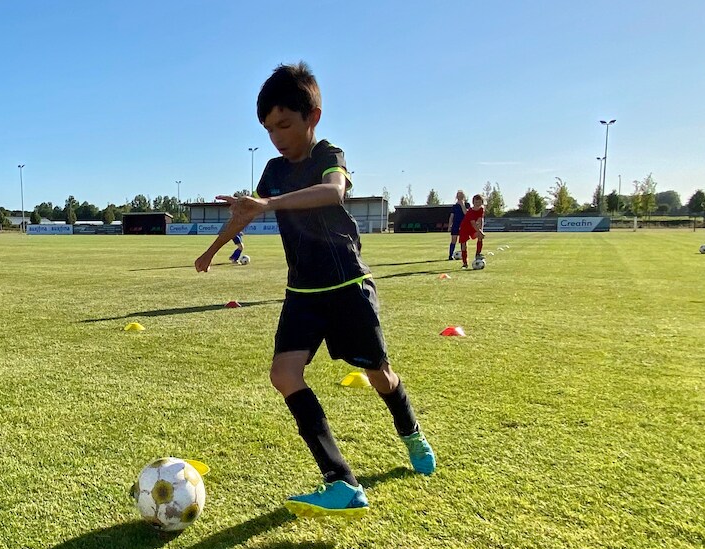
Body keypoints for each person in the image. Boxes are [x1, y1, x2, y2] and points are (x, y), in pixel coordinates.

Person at [194, 62, 436, 519]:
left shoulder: (329, 153)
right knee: (284, 374)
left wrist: (271, 202)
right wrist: (213, 249)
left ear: (313, 117)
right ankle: (341, 481)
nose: (277, 136)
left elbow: (332, 193)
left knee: (381, 376)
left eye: (284, 124)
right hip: (303, 291)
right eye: (268, 129)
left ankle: (411, 432)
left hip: (347, 285)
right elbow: (248, 213)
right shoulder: (273, 170)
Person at [459, 194, 486, 269]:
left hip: (473, 228)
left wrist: (481, 230)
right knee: (464, 245)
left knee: (480, 236)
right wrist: (479, 231)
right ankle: (465, 263)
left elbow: (481, 220)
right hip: (465, 228)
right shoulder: (470, 211)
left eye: (479, 202)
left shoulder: (481, 209)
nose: (477, 204)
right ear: (473, 203)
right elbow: (473, 223)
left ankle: (478, 254)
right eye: (476, 202)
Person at [448, 190, 469, 260]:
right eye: (458, 195)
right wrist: (450, 225)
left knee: (463, 241)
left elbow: (466, 214)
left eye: (461, 195)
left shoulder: (467, 205)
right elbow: (451, 216)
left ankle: (464, 256)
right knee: (453, 240)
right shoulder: (454, 206)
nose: (459, 197)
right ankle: (450, 255)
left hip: (464, 225)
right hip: (455, 225)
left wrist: (462, 204)